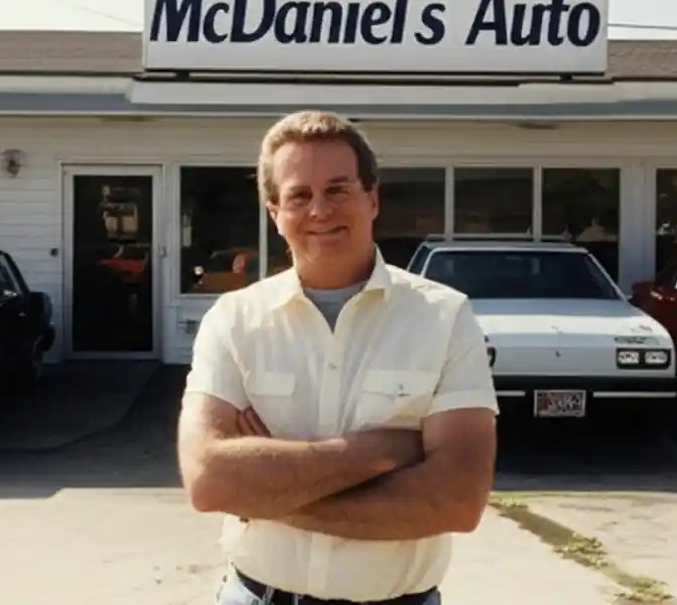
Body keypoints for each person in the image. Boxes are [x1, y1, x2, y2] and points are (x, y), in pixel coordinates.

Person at [176, 110, 499, 604]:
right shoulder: (234, 319)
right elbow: (209, 481)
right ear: (274, 212)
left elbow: (455, 501)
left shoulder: (444, 318)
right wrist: (382, 451)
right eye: (299, 195)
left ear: (372, 198)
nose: (319, 210)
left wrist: (266, 493)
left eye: (338, 190)